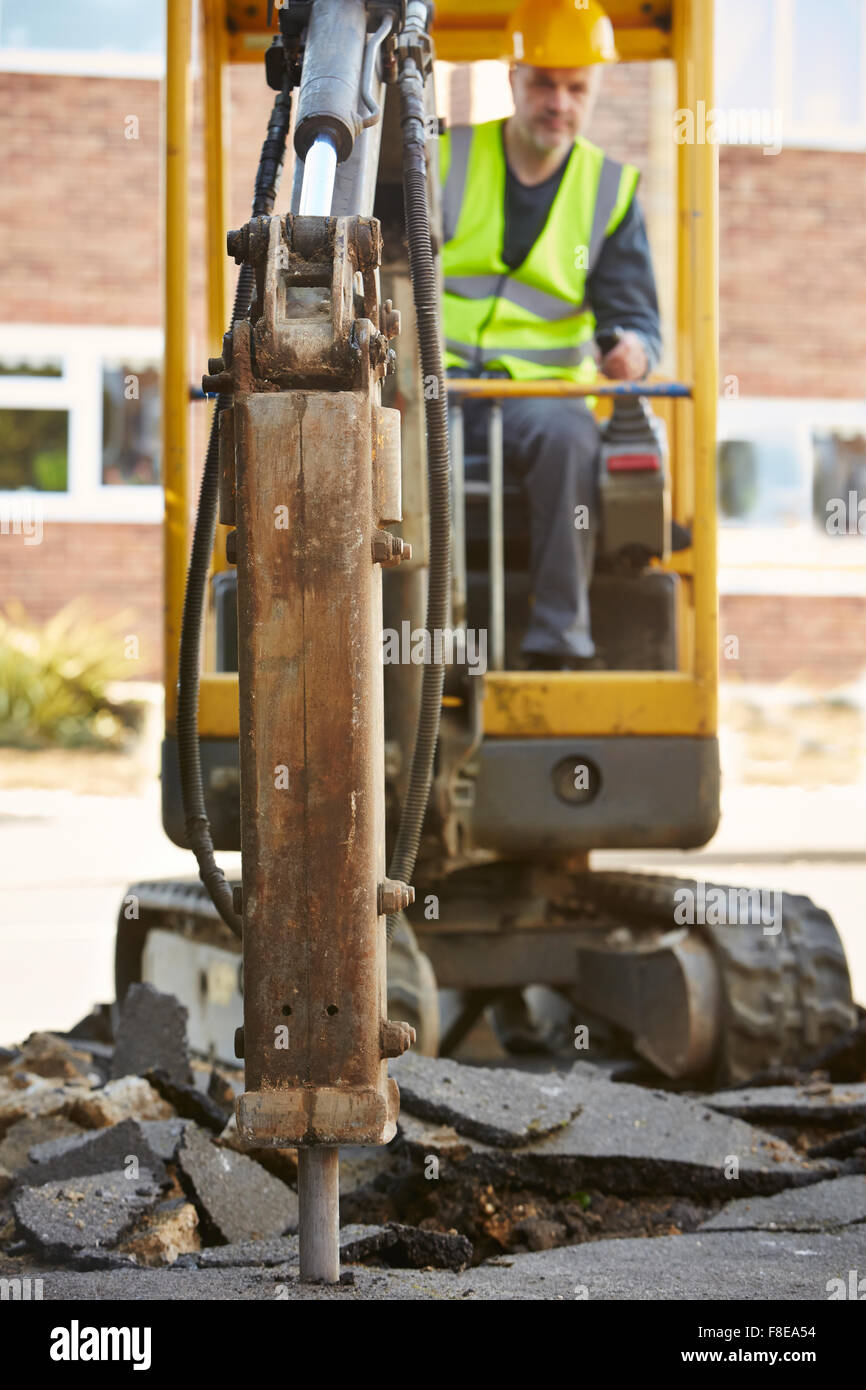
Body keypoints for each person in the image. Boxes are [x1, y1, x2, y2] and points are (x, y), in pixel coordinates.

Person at [440, 0, 662, 669]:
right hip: (435, 382)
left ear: (593, 94)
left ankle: (558, 644)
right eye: (543, 82)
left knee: (572, 438)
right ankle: (415, 638)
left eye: (576, 88)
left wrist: (633, 350)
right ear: (512, 77)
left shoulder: (609, 192)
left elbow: (636, 319)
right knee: (399, 436)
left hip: (539, 399)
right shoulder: (442, 159)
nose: (558, 103)